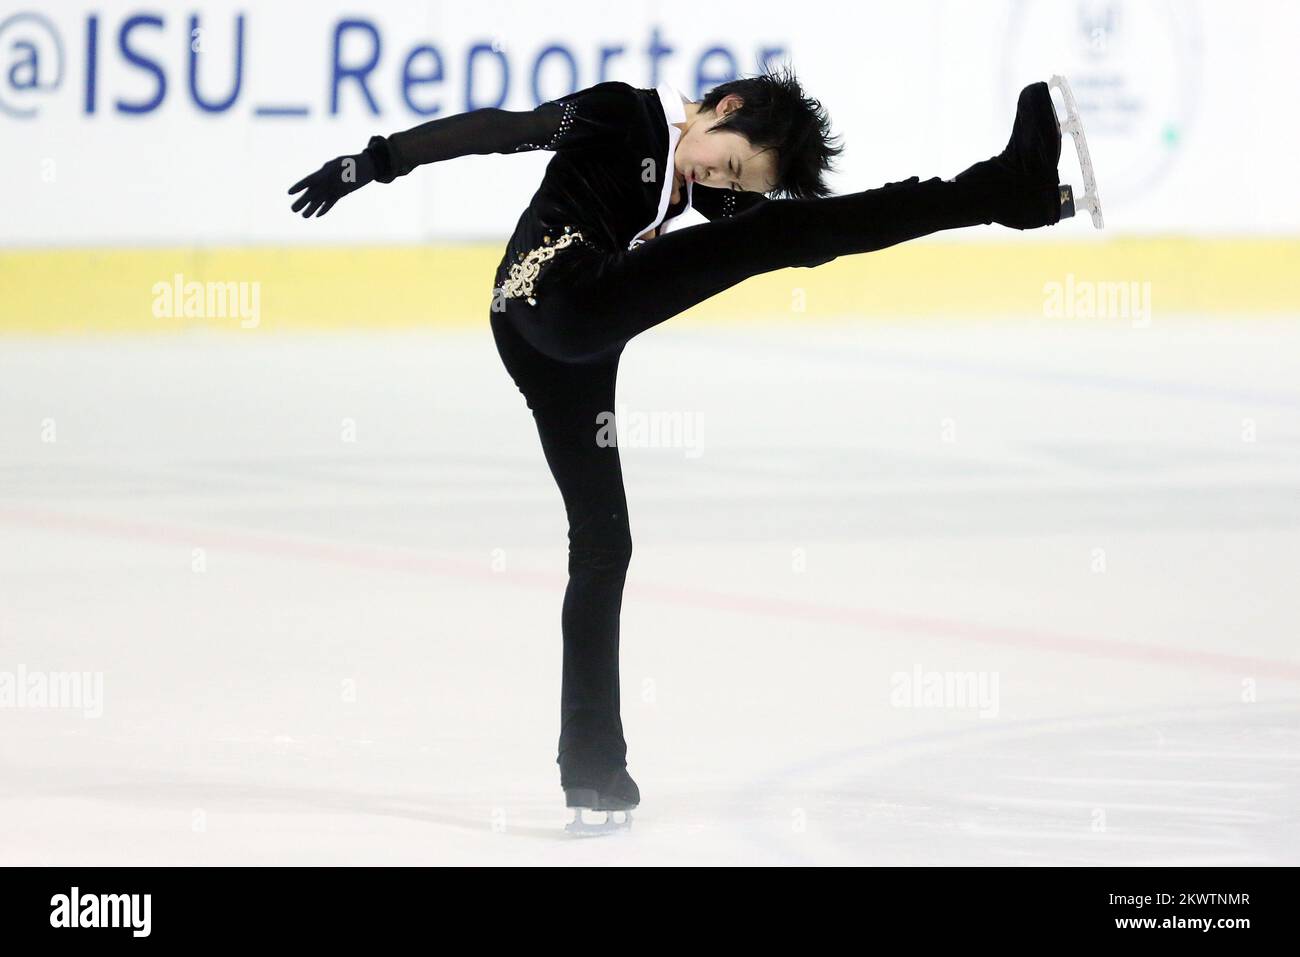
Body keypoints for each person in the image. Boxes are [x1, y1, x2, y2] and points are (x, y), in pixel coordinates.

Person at [288, 65, 1096, 831]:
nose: (721, 183)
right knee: (774, 237)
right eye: (730, 164)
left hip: (565, 342)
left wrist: (777, 212)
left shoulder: (702, 197)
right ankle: (1008, 187)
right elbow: (506, 130)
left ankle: (593, 769)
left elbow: (826, 226)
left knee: (605, 544)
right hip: (548, 304)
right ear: (724, 108)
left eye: (738, 184)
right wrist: (378, 160)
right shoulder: (621, 114)